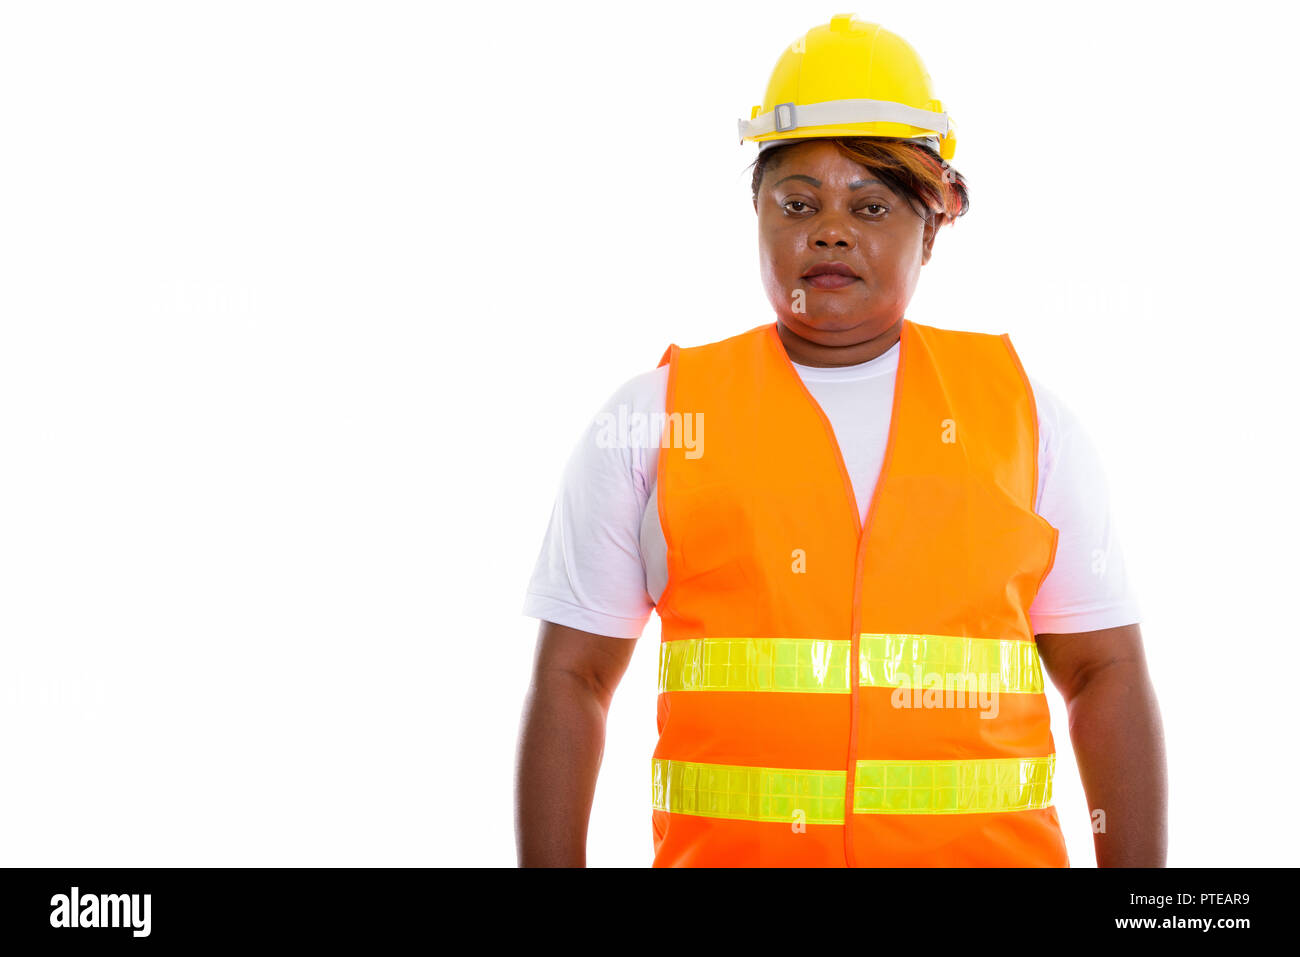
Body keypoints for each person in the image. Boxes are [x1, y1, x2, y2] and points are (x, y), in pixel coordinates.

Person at [516, 15, 1166, 867]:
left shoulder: (1029, 420)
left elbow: (1105, 673)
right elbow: (573, 681)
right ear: (755, 211)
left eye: (871, 205)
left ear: (933, 228)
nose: (830, 231)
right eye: (798, 203)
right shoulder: (657, 418)